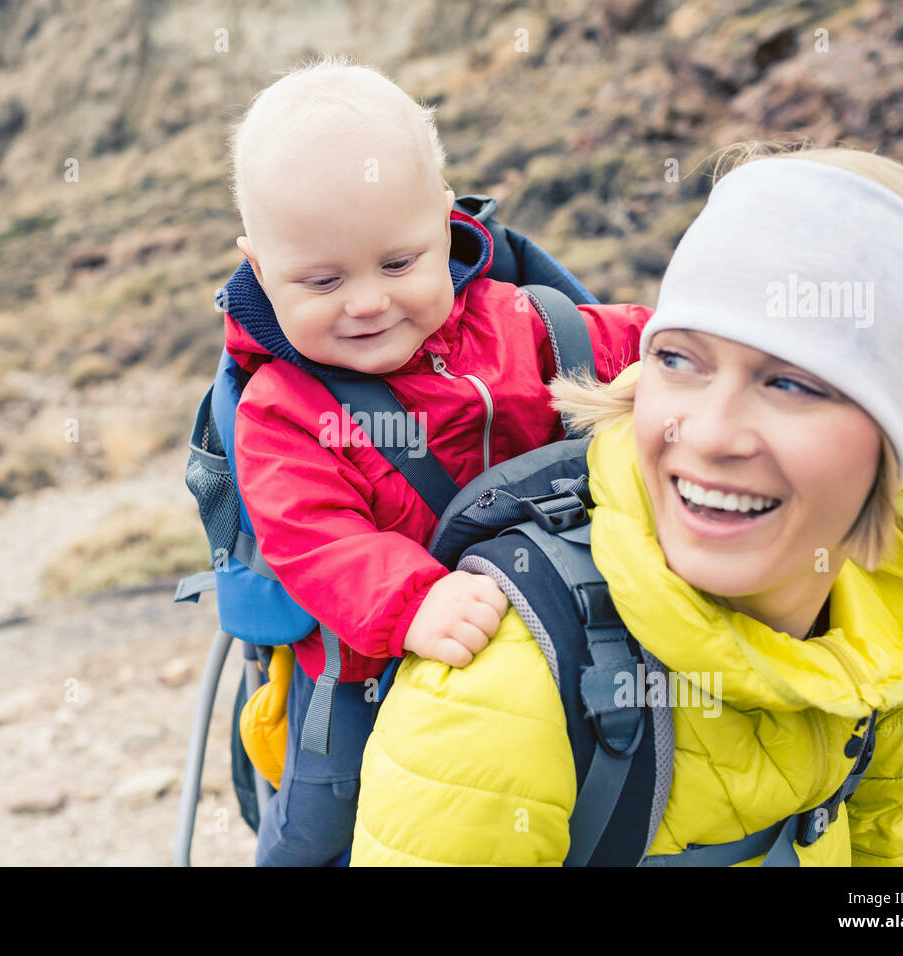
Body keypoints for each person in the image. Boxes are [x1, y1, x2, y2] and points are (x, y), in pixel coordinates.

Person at [350, 144, 903, 866]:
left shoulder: (890, 618)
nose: (707, 435)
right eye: (679, 360)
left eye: (792, 384)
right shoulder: (499, 692)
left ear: (898, 438)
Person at [220, 54, 652, 865]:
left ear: (444, 220)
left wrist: (705, 347)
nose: (368, 301)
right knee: (326, 819)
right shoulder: (283, 407)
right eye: (320, 279)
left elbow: (646, 343)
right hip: (372, 666)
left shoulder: (524, 323)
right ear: (258, 266)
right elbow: (315, 538)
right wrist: (411, 600)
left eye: (398, 263)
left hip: (566, 625)